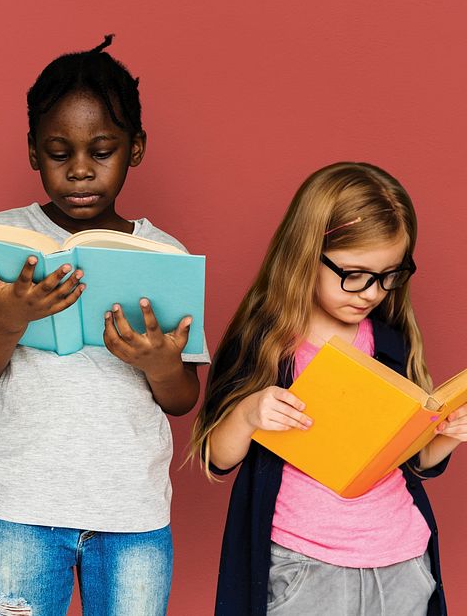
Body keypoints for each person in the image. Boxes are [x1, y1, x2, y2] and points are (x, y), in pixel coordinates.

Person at [0, 35, 208, 616]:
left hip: (133, 512)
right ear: (31, 151)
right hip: (22, 505)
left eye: (101, 151)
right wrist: (10, 316)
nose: (78, 171)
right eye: (58, 152)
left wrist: (159, 363)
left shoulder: (164, 256)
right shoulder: (3, 237)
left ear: (135, 148)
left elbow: (182, 399)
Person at [191, 162, 467, 615]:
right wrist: (247, 414)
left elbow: (413, 460)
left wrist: (445, 437)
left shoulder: (390, 341)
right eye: (354, 274)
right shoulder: (266, 342)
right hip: (302, 563)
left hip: (402, 558)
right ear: (307, 252)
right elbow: (217, 458)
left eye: (389, 275)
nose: (371, 293)